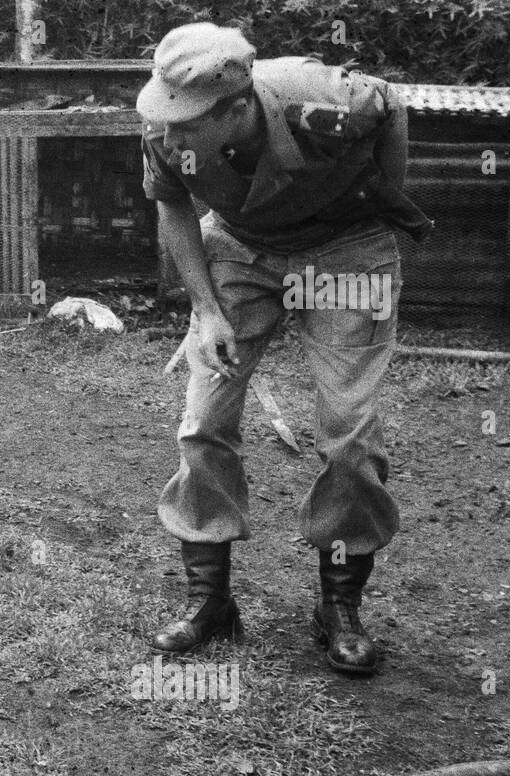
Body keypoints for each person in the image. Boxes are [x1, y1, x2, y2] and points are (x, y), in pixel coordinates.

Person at [137, 23, 432, 673]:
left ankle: (339, 607)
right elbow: (173, 205)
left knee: (350, 432)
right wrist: (206, 308)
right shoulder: (164, 125)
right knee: (204, 420)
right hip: (241, 246)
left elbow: (392, 106)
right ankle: (210, 602)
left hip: (346, 248)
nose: (170, 132)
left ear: (238, 108)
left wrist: (380, 209)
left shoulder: (322, 100)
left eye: (189, 123)